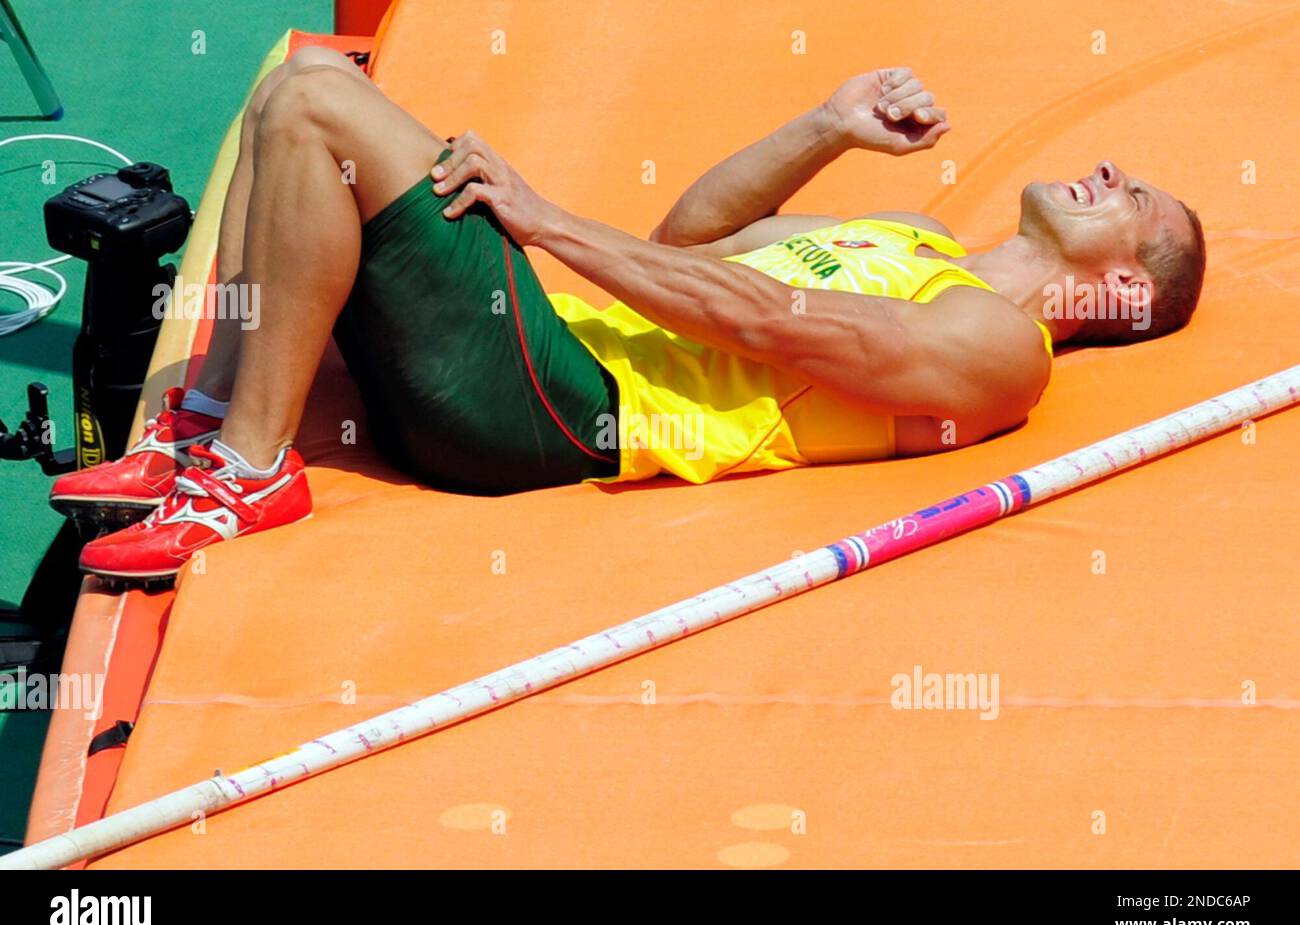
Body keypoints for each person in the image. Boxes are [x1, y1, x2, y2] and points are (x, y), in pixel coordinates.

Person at [50, 49, 1206, 584]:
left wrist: (546, 224)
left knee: (316, 105)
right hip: (545, 365)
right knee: (290, 86)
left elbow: (769, 325)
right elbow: (691, 250)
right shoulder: (912, 239)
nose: (1109, 169)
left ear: (1119, 293)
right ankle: (201, 429)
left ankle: (247, 468)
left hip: (558, 413)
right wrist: (825, 125)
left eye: (1134, 199)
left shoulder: (1003, 351)